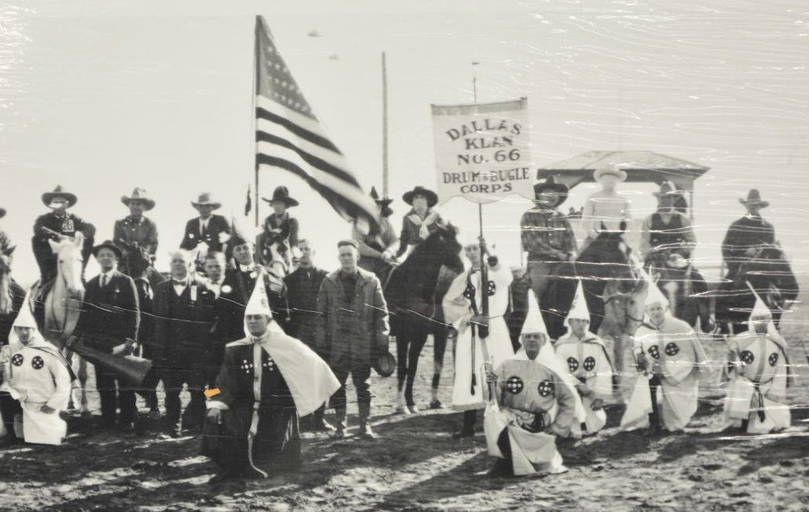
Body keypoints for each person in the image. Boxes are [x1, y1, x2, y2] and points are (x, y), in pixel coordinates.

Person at [202, 280, 339, 483]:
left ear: (268, 320)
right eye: (249, 318)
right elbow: (223, 381)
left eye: (257, 317)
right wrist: (214, 402)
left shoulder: (286, 345)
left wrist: (298, 399)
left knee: (273, 447)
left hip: (277, 405)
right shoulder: (235, 348)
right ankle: (230, 464)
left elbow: (314, 368)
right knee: (218, 416)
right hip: (245, 403)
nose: (252, 321)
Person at [482, 296, 580, 477]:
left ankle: (519, 463)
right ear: (522, 340)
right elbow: (493, 398)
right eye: (528, 337)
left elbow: (568, 399)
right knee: (492, 416)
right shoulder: (508, 365)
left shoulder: (552, 367)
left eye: (536, 336)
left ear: (544, 340)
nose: (532, 340)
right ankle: (505, 462)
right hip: (513, 417)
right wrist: (491, 384)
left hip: (540, 421)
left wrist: (558, 427)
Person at [442, 236, 515, 438]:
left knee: (498, 370)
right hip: (472, 330)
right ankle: (468, 426)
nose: (472, 252)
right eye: (468, 249)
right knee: (470, 373)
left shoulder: (497, 272)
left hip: (495, 328)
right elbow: (449, 304)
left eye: (475, 248)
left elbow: (506, 279)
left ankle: (503, 422)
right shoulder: (462, 279)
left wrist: (490, 253)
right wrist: (471, 317)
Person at [316, 240, 389, 439]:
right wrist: (322, 344)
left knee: (363, 385)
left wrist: (382, 340)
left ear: (357, 256)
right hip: (337, 344)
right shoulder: (329, 281)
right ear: (338, 257)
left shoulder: (371, 280)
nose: (346, 258)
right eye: (343, 255)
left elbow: (381, 313)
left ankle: (365, 426)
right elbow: (321, 314)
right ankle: (341, 427)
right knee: (338, 385)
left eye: (350, 254)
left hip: (362, 343)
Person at [72, 241, 140, 431]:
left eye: (109, 255)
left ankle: (128, 420)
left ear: (116, 259)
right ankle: (108, 420)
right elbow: (85, 314)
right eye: (102, 255)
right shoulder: (92, 284)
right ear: (97, 259)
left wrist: (130, 340)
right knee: (104, 383)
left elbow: (134, 312)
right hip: (99, 344)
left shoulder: (125, 281)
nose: (105, 258)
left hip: (121, 342)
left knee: (125, 383)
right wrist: (77, 335)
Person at [621, 284, 708, 433]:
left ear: (665, 309)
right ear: (647, 311)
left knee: (675, 398)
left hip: (676, 372)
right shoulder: (642, 330)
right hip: (652, 371)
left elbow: (687, 354)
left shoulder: (679, 327)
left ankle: (675, 417)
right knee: (647, 385)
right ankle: (654, 421)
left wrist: (668, 370)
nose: (656, 312)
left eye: (659, 308)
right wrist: (644, 363)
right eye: (652, 309)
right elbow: (637, 350)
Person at [152, 250, 216, 437]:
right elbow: (155, 321)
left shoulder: (202, 286)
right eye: (175, 261)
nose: (178, 264)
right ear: (170, 265)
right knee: (171, 392)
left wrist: (205, 348)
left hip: (196, 352)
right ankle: (173, 427)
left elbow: (210, 319)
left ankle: (197, 427)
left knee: (198, 391)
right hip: (169, 351)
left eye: (182, 261)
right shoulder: (161, 289)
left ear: (190, 264)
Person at [214, 230, 289, 378]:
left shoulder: (269, 273)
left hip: (268, 337)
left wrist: (265, 279)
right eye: (238, 249)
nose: (242, 252)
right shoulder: (229, 279)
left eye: (245, 247)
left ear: (253, 248)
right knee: (243, 379)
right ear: (233, 254)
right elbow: (224, 314)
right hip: (241, 338)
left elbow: (281, 302)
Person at [723, 291, 792, 434]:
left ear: (769, 321)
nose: (761, 322)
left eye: (764, 319)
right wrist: (735, 361)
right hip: (746, 384)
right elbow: (732, 364)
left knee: (768, 425)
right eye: (757, 319)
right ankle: (741, 420)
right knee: (739, 385)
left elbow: (781, 369)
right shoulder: (740, 340)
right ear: (752, 321)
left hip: (767, 386)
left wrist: (775, 389)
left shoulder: (777, 343)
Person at [4, 303, 73, 445]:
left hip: (42, 404)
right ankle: (11, 434)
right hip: (21, 400)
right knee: (3, 395)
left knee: (47, 438)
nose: (24, 332)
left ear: (34, 329)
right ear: (15, 330)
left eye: (27, 328)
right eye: (20, 329)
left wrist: (53, 404)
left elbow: (64, 380)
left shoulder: (48, 350)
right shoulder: (10, 350)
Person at [554, 281, 614, 437]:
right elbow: (560, 372)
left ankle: (591, 420)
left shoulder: (595, 343)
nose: (581, 325)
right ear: (570, 322)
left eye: (584, 321)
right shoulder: (562, 345)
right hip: (571, 387)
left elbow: (604, 370)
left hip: (592, 387)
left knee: (595, 422)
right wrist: (579, 386)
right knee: (570, 424)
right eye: (577, 320)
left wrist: (599, 396)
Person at [284, 240, 332, 432]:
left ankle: (319, 418)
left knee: (321, 373)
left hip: (322, 331)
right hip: (300, 332)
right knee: (302, 375)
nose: (304, 253)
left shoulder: (327, 276)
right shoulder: (289, 280)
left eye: (307, 249)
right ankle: (304, 418)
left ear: (314, 252)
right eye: (300, 249)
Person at [520, 176, 577, 307]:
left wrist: (570, 254)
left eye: (555, 193)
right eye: (547, 192)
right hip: (539, 260)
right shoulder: (529, 215)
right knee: (539, 286)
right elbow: (533, 243)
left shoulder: (562, 217)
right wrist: (557, 254)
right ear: (539, 195)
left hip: (562, 260)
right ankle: (539, 311)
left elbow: (570, 241)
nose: (551, 196)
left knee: (573, 282)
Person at [31, 185, 95, 284]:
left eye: (61, 202)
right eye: (55, 202)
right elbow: (39, 229)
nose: (58, 205)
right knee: (35, 239)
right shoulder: (43, 219)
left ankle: (81, 273)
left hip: (71, 253)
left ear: (67, 204)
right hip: (52, 253)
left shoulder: (74, 219)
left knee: (90, 239)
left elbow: (90, 228)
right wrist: (58, 237)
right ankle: (45, 274)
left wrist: (78, 236)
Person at [640, 181, 696, 270]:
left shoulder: (683, 219)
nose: (666, 200)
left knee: (696, 277)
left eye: (669, 197)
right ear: (658, 199)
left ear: (674, 199)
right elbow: (644, 244)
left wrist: (680, 252)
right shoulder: (648, 220)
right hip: (656, 259)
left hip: (678, 259)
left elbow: (691, 241)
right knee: (642, 276)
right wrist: (653, 252)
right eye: (663, 197)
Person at [721, 189, 776, 280]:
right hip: (738, 270)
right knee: (725, 287)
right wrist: (734, 265)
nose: (753, 207)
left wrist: (757, 251)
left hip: (762, 272)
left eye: (755, 205)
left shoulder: (768, 227)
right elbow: (725, 248)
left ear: (760, 206)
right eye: (751, 205)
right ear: (746, 206)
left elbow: (772, 251)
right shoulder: (736, 225)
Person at [353, 187, 399, 278]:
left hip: (385, 260)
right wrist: (378, 255)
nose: (375, 207)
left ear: (381, 208)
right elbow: (358, 244)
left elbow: (395, 241)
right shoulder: (360, 222)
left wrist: (389, 252)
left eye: (378, 205)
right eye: (372, 204)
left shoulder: (385, 223)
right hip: (364, 261)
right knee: (365, 280)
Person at [581, 164, 632, 244]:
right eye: (606, 178)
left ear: (618, 180)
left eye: (613, 178)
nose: (610, 180)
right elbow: (585, 221)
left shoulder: (623, 200)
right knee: (584, 252)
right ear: (601, 180)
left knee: (628, 252)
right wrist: (594, 236)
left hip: (617, 238)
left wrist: (623, 235)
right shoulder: (593, 197)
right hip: (596, 237)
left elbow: (629, 220)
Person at [114, 187, 159, 274]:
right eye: (132, 203)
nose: (135, 207)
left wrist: (141, 252)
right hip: (124, 264)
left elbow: (152, 244)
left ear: (144, 207)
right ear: (129, 205)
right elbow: (117, 242)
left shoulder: (150, 224)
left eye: (138, 204)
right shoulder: (120, 224)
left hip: (144, 264)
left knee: (159, 280)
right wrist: (126, 252)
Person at [256, 186, 300, 268]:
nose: (277, 206)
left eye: (279, 203)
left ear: (285, 205)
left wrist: (295, 255)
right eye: (275, 203)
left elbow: (294, 240)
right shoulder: (268, 220)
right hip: (270, 256)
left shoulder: (292, 221)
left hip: (287, 255)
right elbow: (264, 240)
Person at [396, 186, 444, 258]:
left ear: (427, 201)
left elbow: (444, 233)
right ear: (412, 201)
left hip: (434, 251)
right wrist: (399, 253)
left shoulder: (436, 216)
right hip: (415, 252)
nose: (419, 200)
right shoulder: (407, 218)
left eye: (422, 197)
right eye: (416, 198)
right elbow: (404, 237)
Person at [179, 192, 231, 257]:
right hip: (196, 260)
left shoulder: (220, 220)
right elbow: (185, 245)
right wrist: (181, 253)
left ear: (212, 207)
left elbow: (229, 241)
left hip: (216, 260)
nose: (204, 209)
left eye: (207, 206)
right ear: (197, 207)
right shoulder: (191, 224)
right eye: (201, 206)